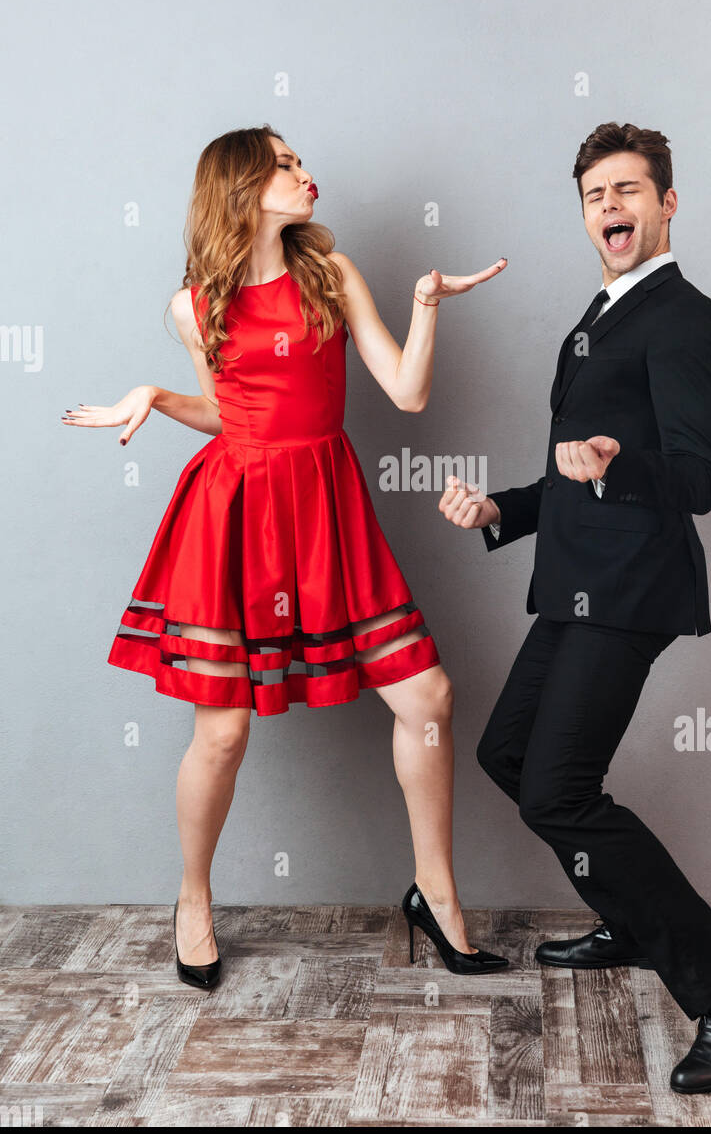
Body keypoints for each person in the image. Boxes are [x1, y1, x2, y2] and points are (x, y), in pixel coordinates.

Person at [62, 124, 510, 988]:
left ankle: (437, 895)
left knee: (427, 695)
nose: (308, 175)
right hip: (234, 513)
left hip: (326, 505)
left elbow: (409, 394)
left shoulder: (330, 276)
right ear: (242, 186)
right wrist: (157, 395)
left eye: (302, 162)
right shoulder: (193, 304)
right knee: (223, 733)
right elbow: (233, 418)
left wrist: (426, 303)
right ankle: (193, 898)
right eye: (287, 165)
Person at [437, 121, 711, 1094]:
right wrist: (499, 509)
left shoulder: (681, 318)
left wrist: (610, 461)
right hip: (572, 583)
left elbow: (695, 479)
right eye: (595, 194)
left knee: (556, 788)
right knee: (509, 755)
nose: (611, 208)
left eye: (628, 190)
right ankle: (635, 921)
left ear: (666, 203)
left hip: (630, 588)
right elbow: (568, 477)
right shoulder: (598, 314)